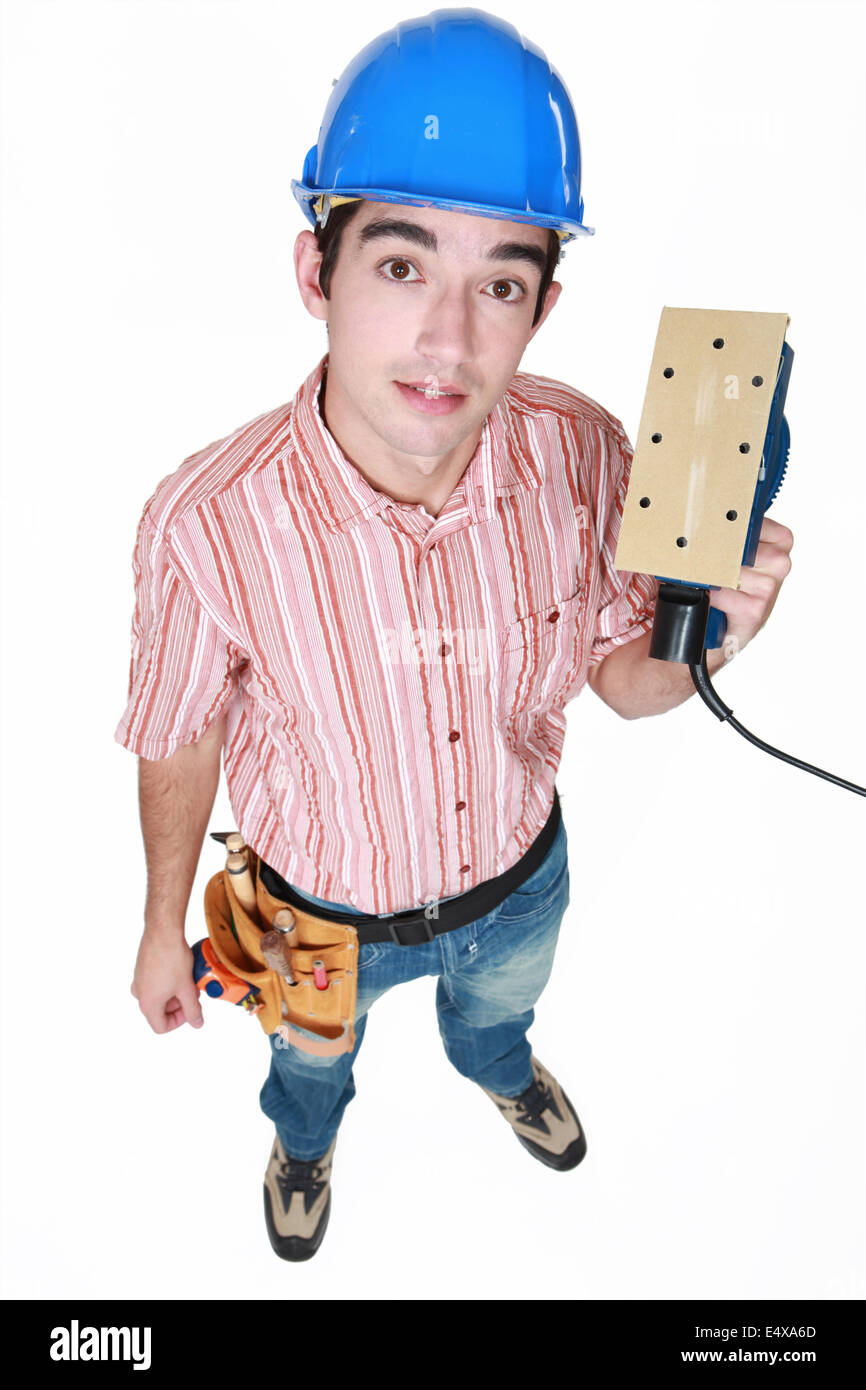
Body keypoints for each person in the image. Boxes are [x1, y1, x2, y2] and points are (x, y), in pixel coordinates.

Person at [116, 9, 793, 1263]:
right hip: (312, 919)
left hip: (516, 885)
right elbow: (177, 732)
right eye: (399, 265)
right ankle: (304, 1145)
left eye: (497, 284)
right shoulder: (202, 521)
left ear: (540, 305)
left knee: (498, 1016)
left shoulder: (583, 450)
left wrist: (707, 642)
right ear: (316, 272)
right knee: (308, 1068)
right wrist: (165, 919)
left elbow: (621, 684)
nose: (447, 340)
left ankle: (498, 1066)